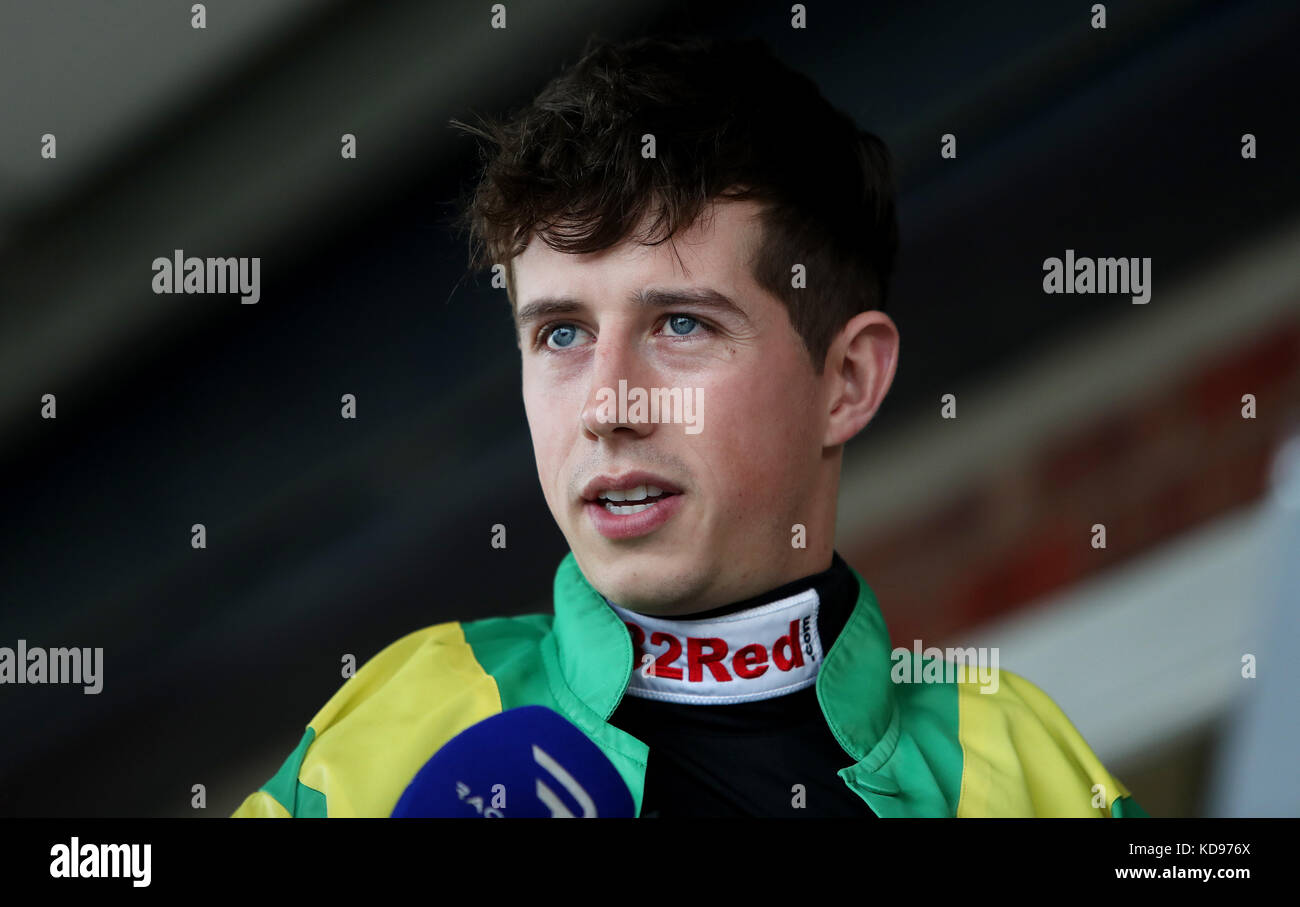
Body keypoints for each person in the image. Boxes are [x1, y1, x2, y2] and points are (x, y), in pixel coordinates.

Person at [231, 33, 1146, 818]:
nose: (607, 406)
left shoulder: (1014, 763)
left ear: (848, 380)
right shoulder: (417, 717)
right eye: (560, 333)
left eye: (680, 324)